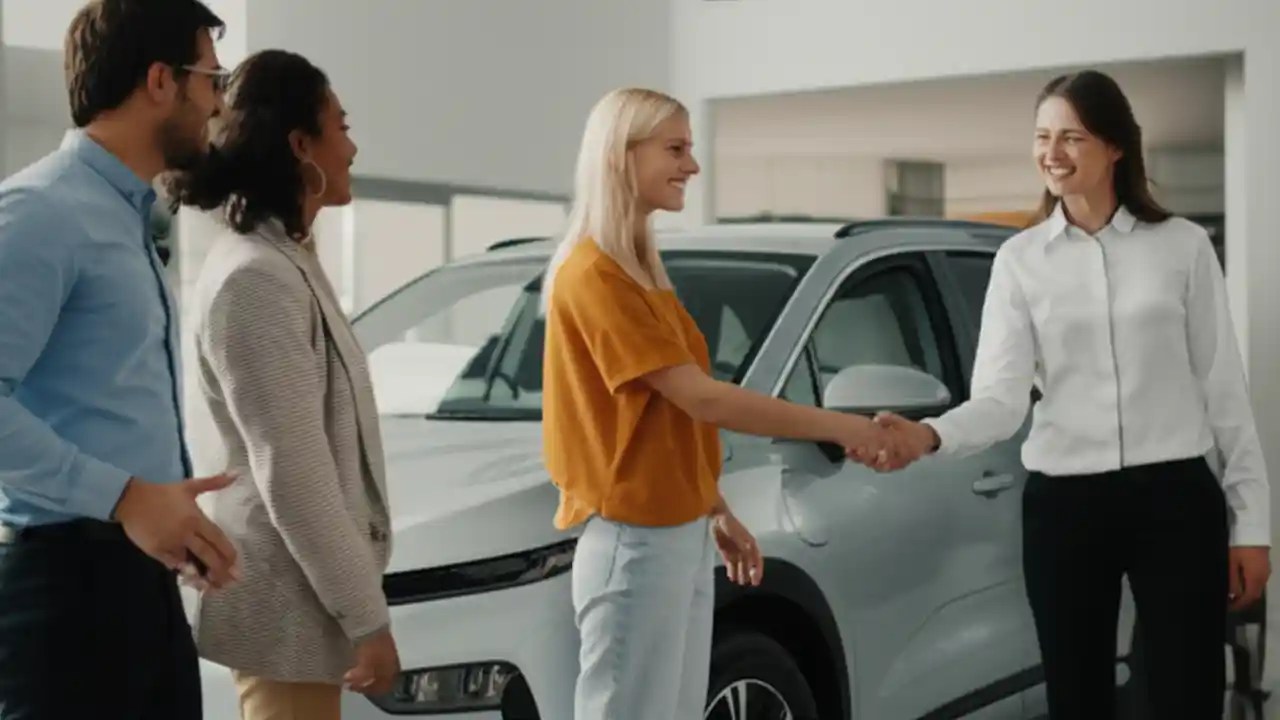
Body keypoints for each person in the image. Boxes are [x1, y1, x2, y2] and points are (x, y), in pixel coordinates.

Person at [872, 69, 1271, 719]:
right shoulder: (1021, 262)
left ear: (1115, 147)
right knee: (1077, 694)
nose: (1051, 153)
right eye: (1042, 137)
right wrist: (928, 434)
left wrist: (1251, 525)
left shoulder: (1184, 248)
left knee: (1187, 691)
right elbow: (1001, 398)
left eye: (1071, 137)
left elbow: (1224, 391)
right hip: (1066, 506)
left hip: (1175, 499)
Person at [540, 87, 896, 720]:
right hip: (634, 548)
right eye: (675, 149)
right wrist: (846, 427)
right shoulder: (592, 275)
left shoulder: (642, 273)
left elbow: (666, 422)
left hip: (677, 540)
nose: (692, 166)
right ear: (623, 156)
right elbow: (701, 398)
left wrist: (713, 509)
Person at [0, 1, 240, 718]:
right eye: (211, 79)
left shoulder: (131, 219)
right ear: (161, 81)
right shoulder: (40, 211)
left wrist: (165, 517)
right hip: (65, 601)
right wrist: (126, 497)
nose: (219, 104)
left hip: (141, 585)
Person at [165, 49, 399, 720]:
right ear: (301, 145)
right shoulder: (255, 278)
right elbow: (294, 474)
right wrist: (367, 620)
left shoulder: (281, 259)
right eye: (341, 125)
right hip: (285, 609)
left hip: (301, 608)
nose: (352, 146)